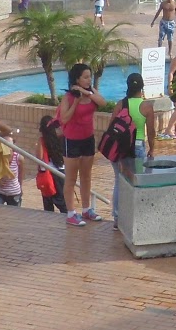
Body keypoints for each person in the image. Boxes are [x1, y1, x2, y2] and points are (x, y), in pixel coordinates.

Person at [57, 63, 110, 226]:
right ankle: (71, 213)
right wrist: (76, 102)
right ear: (77, 79)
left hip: (88, 138)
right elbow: (64, 119)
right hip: (71, 140)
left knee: (86, 176)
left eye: (90, 77)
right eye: (85, 77)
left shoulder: (91, 92)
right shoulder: (68, 98)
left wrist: (87, 92)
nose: (89, 80)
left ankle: (87, 210)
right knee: (71, 178)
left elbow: (103, 103)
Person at [110, 71, 157, 228]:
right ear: (142, 88)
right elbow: (151, 132)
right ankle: (135, 217)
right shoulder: (146, 106)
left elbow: (111, 128)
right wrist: (152, 149)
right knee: (137, 182)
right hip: (137, 147)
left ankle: (117, 218)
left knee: (119, 181)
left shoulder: (120, 104)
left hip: (119, 148)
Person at [37, 115, 68, 212]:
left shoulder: (42, 141)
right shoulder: (60, 139)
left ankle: (49, 223)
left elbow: (39, 157)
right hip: (60, 172)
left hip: (47, 173)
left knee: (48, 203)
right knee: (62, 202)